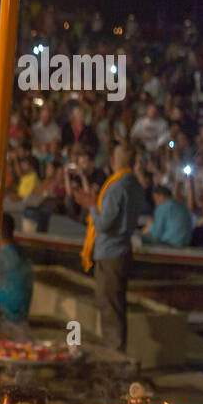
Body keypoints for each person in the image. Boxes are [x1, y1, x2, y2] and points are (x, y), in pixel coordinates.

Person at [74, 143, 140, 352]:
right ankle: (117, 348)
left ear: (115, 161)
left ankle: (115, 352)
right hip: (121, 251)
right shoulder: (133, 184)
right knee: (116, 306)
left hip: (110, 253)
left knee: (110, 306)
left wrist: (92, 206)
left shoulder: (117, 187)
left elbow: (103, 225)